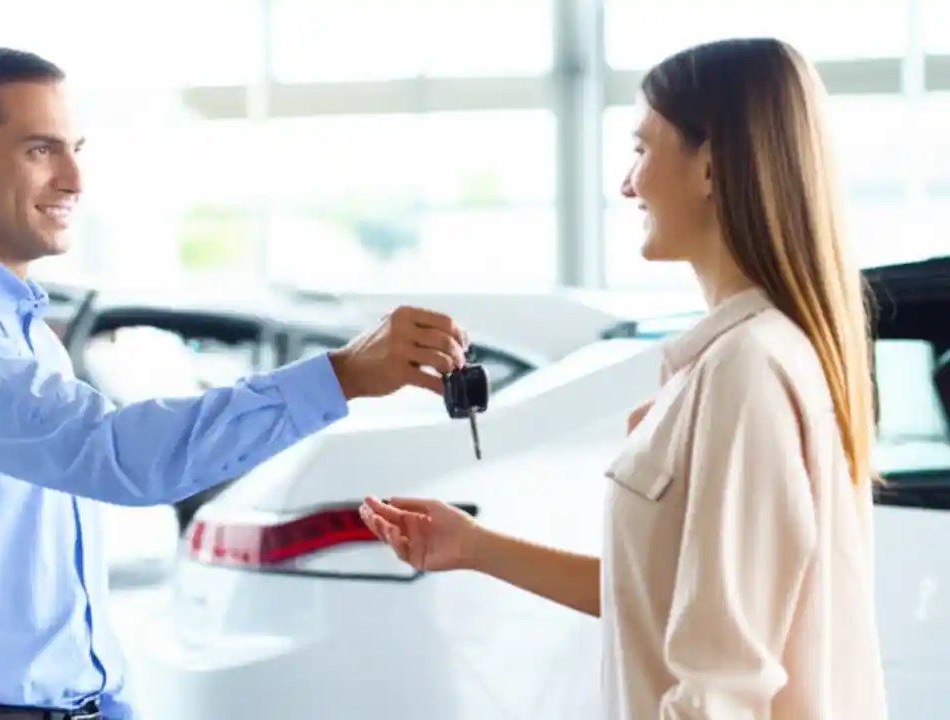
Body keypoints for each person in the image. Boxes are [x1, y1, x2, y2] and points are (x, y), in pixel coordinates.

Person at [0, 48, 470, 720]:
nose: (75, 178)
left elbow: (51, 588)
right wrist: (338, 377)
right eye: (40, 151)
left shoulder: (22, 328)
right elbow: (118, 455)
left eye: (75, 148)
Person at [360, 37, 888, 719]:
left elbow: (721, 689)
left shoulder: (747, 370)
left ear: (711, 165)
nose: (627, 183)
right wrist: (475, 547)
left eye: (643, 148)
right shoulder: (741, 360)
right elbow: (671, 600)